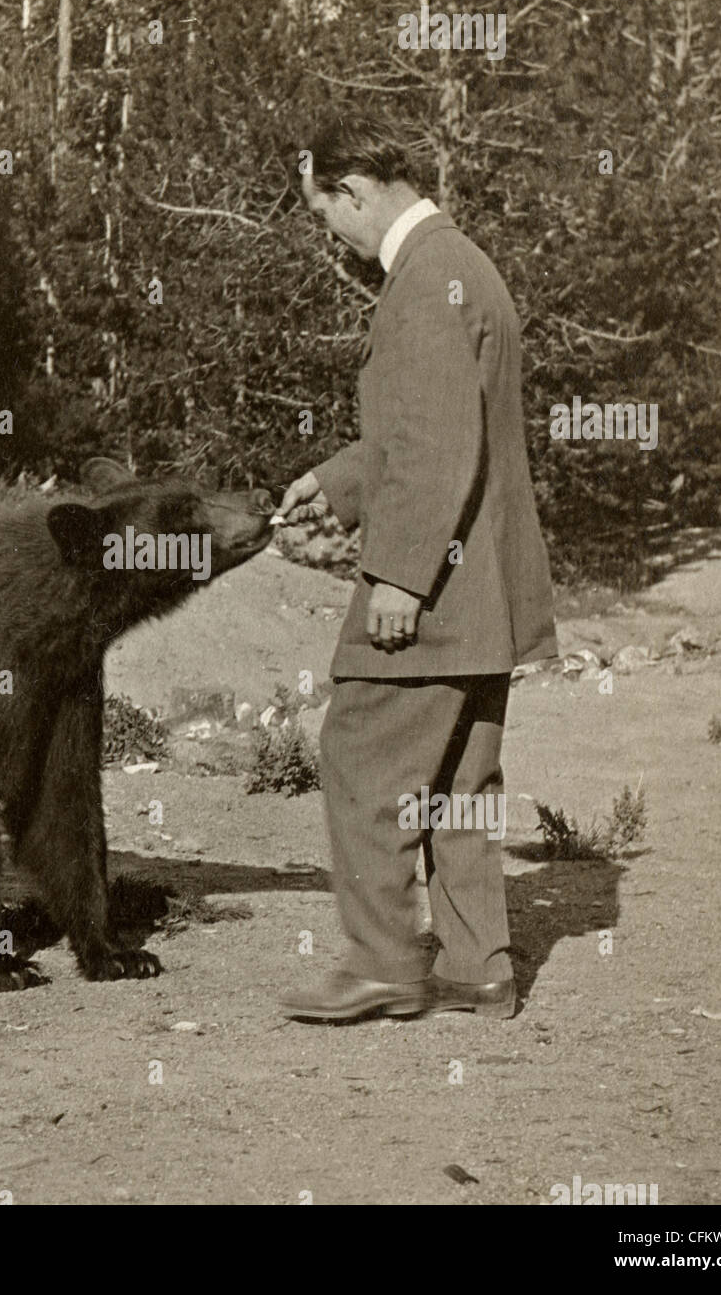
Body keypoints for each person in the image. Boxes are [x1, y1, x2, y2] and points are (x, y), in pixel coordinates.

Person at [276, 116, 557, 1022]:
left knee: (360, 753)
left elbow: (439, 444)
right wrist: (341, 479)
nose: (337, 239)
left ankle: (384, 963)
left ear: (352, 192)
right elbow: (444, 423)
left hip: (437, 585)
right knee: (458, 784)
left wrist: (398, 577)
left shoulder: (425, 278)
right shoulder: (463, 264)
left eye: (328, 217)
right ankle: (477, 965)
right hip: (484, 590)